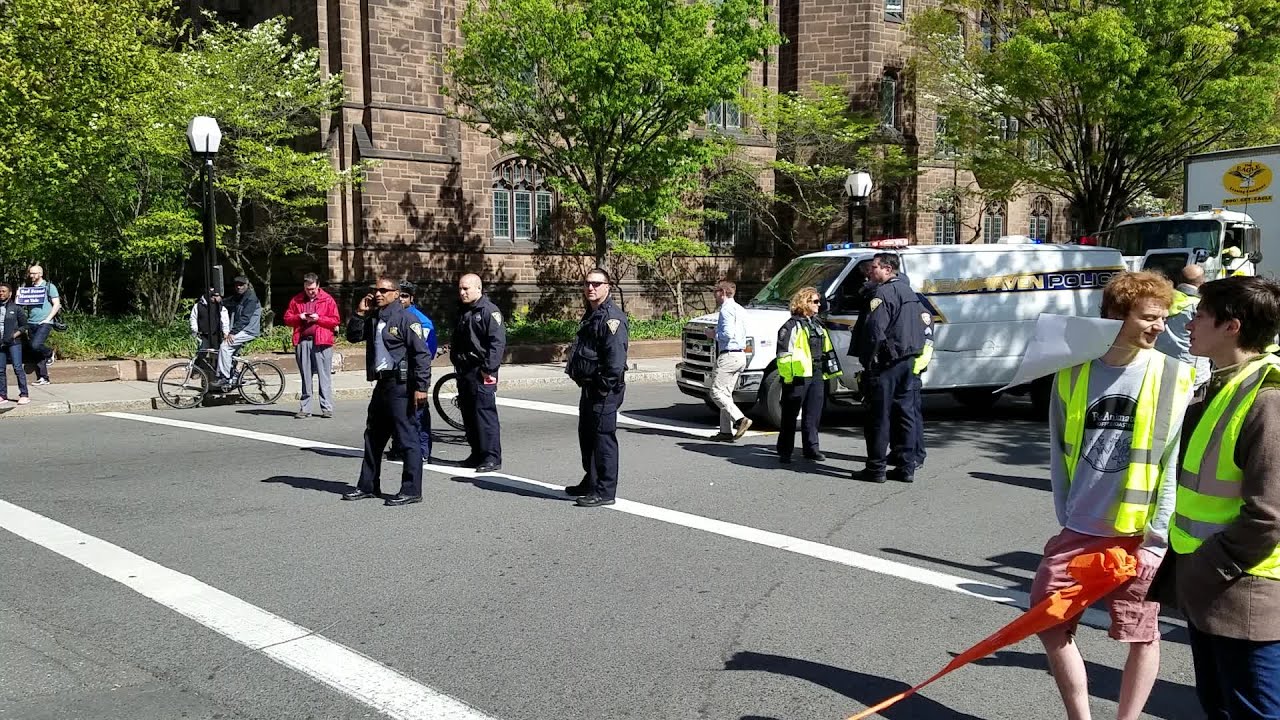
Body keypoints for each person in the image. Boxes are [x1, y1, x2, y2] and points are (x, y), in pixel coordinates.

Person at [1036, 271, 1196, 720]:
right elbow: (1059, 451)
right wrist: (1066, 511)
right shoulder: (1072, 374)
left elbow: (1171, 466)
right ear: (1113, 317)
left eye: (1162, 317)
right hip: (1081, 526)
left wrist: (1156, 540)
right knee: (1048, 623)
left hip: (1138, 534)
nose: (1158, 327)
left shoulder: (1173, 375)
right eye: (1148, 317)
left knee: (1141, 634)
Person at [1157, 275, 1280, 719]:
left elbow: (1270, 515)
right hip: (1210, 584)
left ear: (1233, 326)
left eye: (1201, 315)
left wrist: (1214, 563)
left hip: (1244, 589)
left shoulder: (1266, 399)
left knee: (1253, 712)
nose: (1189, 324)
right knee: (1220, 706)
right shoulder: (1224, 383)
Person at [343, 277, 432, 507]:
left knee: (407, 437)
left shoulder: (406, 318)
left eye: (384, 290)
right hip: (382, 385)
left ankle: (411, 489)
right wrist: (360, 313)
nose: (378, 294)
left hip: (401, 385)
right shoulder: (375, 318)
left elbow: (421, 355)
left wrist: (421, 387)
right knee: (373, 436)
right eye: (376, 290)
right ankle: (368, 485)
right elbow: (353, 336)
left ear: (396, 293)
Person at [852, 252, 926, 483]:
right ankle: (906, 467)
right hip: (908, 360)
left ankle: (876, 468)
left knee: (879, 416)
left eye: (874, 267)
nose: (870, 271)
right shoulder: (910, 292)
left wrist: (868, 360)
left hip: (887, 363)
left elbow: (874, 330)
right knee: (905, 414)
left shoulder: (883, 293)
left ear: (887, 269)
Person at [564, 268, 629, 507]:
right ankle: (590, 480)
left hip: (604, 390)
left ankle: (605, 490)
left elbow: (615, 361)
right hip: (589, 387)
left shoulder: (612, 318)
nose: (591, 288)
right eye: (587, 283)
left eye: (596, 284)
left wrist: (602, 386)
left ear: (607, 286)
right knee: (587, 437)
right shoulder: (592, 314)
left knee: (603, 440)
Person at [775, 286, 841, 464]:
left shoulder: (817, 324)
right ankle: (785, 451)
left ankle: (811, 449)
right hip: (799, 376)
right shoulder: (791, 326)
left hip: (817, 373)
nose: (819, 305)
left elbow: (826, 348)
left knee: (813, 414)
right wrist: (788, 378)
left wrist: (830, 370)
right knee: (789, 415)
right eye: (815, 301)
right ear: (804, 302)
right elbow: (783, 355)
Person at [450, 273, 506, 472]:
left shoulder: (489, 311)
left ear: (478, 288)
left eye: (466, 288)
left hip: (481, 371)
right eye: (460, 289)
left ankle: (492, 457)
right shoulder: (463, 310)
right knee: (469, 414)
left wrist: (488, 369)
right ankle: (476, 454)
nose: (462, 292)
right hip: (464, 370)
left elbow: (497, 343)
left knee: (484, 415)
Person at [388, 280, 438, 462]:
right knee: (398, 412)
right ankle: (399, 447)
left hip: (414, 371)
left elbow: (428, 350)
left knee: (419, 413)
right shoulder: (390, 315)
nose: (401, 299)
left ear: (411, 298)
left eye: (404, 296)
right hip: (395, 372)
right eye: (399, 295)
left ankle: (423, 451)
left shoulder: (421, 320)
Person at [282, 273, 341, 419]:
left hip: (322, 341)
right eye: (308, 289)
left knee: (324, 376)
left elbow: (335, 320)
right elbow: (287, 319)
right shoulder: (297, 300)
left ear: (318, 285)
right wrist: (299, 317)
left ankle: (326, 407)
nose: (310, 292)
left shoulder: (327, 299)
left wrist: (318, 319)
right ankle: (305, 408)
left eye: (313, 289)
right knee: (305, 376)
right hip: (303, 341)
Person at [1155, 263, 1211, 395]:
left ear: (1179, 279)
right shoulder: (1201, 307)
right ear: (1202, 282)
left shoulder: (1163, 302)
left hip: (1161, 370)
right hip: (1193, 375)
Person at [709, 279, 753, 442]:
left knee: (716, 391)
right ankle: (725, 431)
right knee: (726, 394)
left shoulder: (726, 310)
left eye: (715, 291)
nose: (714, 295)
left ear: (722, 292)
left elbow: (727, 334)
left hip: (728, 354)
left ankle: (740, 419)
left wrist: (713, 334)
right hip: (740, 355)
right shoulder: (740, 309)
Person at [217, 276, 262, 390]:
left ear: (247, 285)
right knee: (231, 353)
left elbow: (245, 318)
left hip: (249, 330)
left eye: (241, 284)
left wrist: (232, 332)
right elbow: (231, 301)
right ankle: (235, 375)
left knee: (225, 346)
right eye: (237, 284)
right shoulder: (240, 297)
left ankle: (225, 378)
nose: (239, 287)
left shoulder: (251, 298)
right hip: (243, 329)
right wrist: (220, 301)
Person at [20, 265, 60, 386]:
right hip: (32, 322)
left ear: (41, 274)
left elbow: (57, 304)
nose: (32, 276)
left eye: (34, 273)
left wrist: (48, 319)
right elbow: (21, 304)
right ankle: (44, 377)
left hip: (45, 322)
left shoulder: (49, 286)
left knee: (36, 345)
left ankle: (49, 352)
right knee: (35, 350)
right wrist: (19, 296)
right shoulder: (29, 289)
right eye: (30, 273)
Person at [0, 282, 30, 405]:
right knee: (0, 370)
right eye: (0, 291)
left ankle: (24, 394)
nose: (1, 293)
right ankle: (2, 395)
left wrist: (14, 335)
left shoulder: (16, 308)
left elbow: (25, 325)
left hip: (14, 343)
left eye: (3, 291)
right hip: (0, 343)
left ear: (10, 293)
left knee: (17, 367)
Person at [188, 288, 229, 377]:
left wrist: (226, 332)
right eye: (213, 296)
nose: (215, 298)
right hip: (203, 335)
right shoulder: (198, 306)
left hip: (217, 335)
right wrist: (194, 330)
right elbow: (193, 318)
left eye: (217, 296)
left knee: (219, 354)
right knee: (201, 353)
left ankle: (218, 373)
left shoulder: (220, 307)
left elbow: (225, 320)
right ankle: (196, 370)